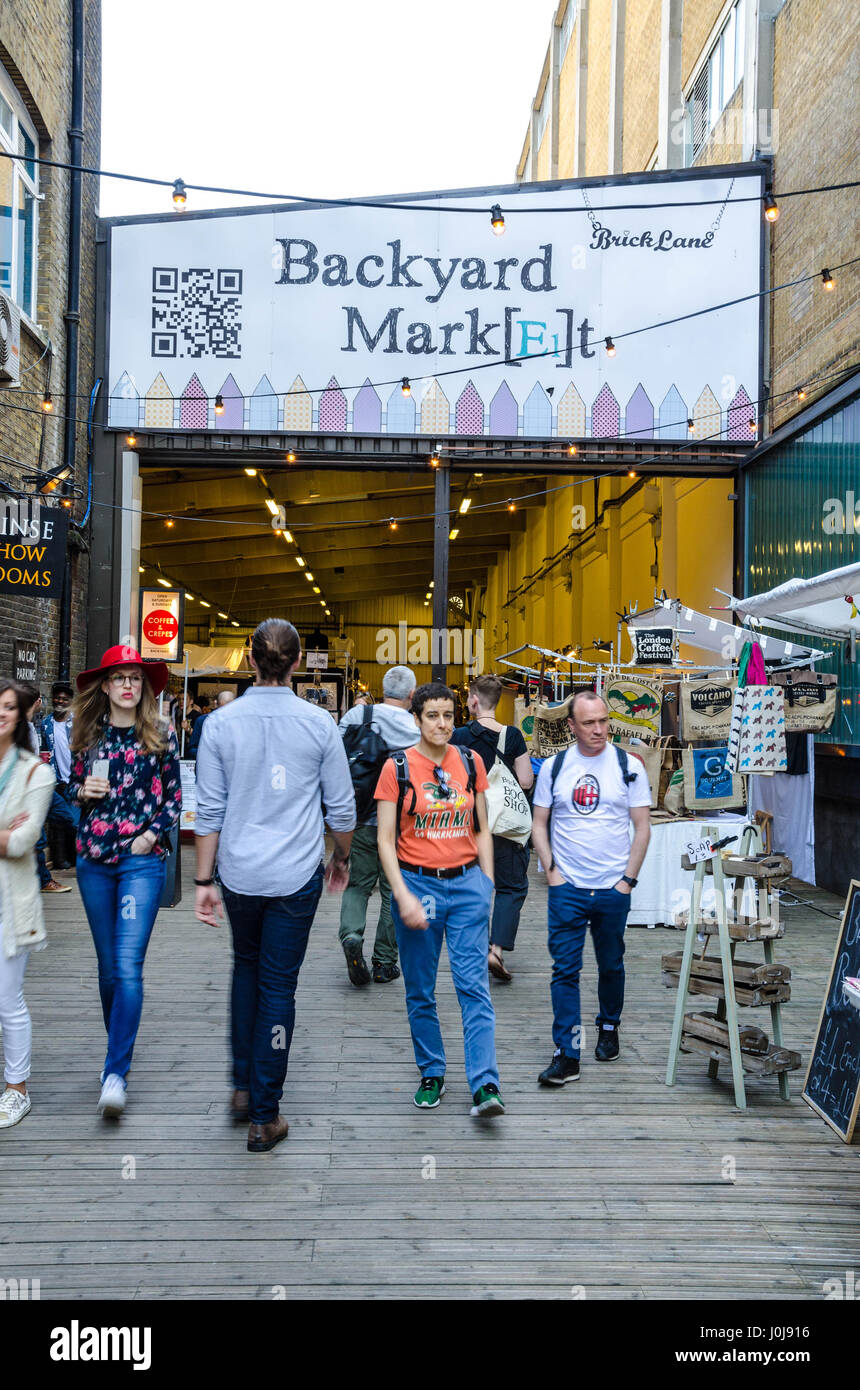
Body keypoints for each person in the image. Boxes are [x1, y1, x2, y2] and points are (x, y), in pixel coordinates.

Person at [194, 619, 355, 1154]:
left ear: (250, 656)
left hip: (239, 872)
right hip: (294, 876)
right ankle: (265, 1114)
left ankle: (242, 1086)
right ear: (298, 660)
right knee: (278, 986)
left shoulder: (221, 723)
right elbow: (341, 808)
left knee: (246, 965)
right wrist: (342, 856)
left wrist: (202, 880)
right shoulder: (318, 724)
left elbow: (209, 811)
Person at [376, 681, 504, 1119]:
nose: (442, 723)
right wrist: (401, 894)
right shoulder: (397, 767)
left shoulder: (470, 760)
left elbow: (482, 827)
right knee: (421, 990)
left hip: (467, 885)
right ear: (416, 719)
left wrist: (486, 883)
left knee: (474, 987)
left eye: (449, 715)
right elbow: (385, 839)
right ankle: (432, 1071)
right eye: (432, 715)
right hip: (419, 888)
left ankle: (485, 1084)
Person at [68, 644, 181, 1119]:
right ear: (107, 687)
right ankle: (117, 1052)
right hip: (94, 859)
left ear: (145, 687)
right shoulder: (88, 735)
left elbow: (174, 799)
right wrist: (81, 791)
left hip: (140, 860)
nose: (129, 685)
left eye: (136, 678)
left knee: (127, 964)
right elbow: (71, 789)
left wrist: (151, 835)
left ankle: (115, 1072)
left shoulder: (160, 734)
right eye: (120, 678)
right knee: (108, 968)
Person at [531, 691, 651, 1085]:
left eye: (603, 721)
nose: (599, 729)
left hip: (613, 887)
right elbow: (539, 823)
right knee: (565, 970)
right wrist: (552, 871)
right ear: (571, 725)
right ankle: (567, 1053)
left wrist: (627, 882)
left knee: (611, 963)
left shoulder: (628, 765)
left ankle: (609, 1026)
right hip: (568, 886)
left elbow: (642, 827)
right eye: (588, 723)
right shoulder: (554, 766)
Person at [337, 665, 419, 986]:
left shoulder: (357, 716)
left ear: (383, 689)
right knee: (392, 891)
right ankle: (385, 962)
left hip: (360, 817)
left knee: (358, 884)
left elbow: (336, 758)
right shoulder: (415, 728)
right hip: (399, 822)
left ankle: (351, 935)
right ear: (411, 695)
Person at [451, 674, 534, 982]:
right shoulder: (511, 736)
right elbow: (525, 780)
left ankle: (470, 951)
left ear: (473, 701)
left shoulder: (457, 735)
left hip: (466, 824)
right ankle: (495, 950)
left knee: (470, 886)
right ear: (497, 702)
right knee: (511, 887)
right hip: (502, 824)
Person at [0, 679, 56, 1128]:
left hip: (10, 903)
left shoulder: (36, 772)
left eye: (7, 707)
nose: (0, 713)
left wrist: (9, 835)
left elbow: (22, 841)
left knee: (6, 999)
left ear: (20, 715)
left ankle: (16, 1089)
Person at [20, 683, 69, 895]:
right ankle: (42, 879)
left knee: (66, 818)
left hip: (40, 785)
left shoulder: (33, 724)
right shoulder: (23, 725)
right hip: (28, 788)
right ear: (37, 701)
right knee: (39, 836)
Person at [40, 680, 80, 870]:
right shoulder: (46, 724)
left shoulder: (77, 722)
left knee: (74, 821)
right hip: (56, 780)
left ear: (70, 700)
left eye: (64, 698)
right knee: (58, 822)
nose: (60, 701)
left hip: (76, 779)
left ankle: (74, 857)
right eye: (57, 697)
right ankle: (60, 859)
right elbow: (44, 751)